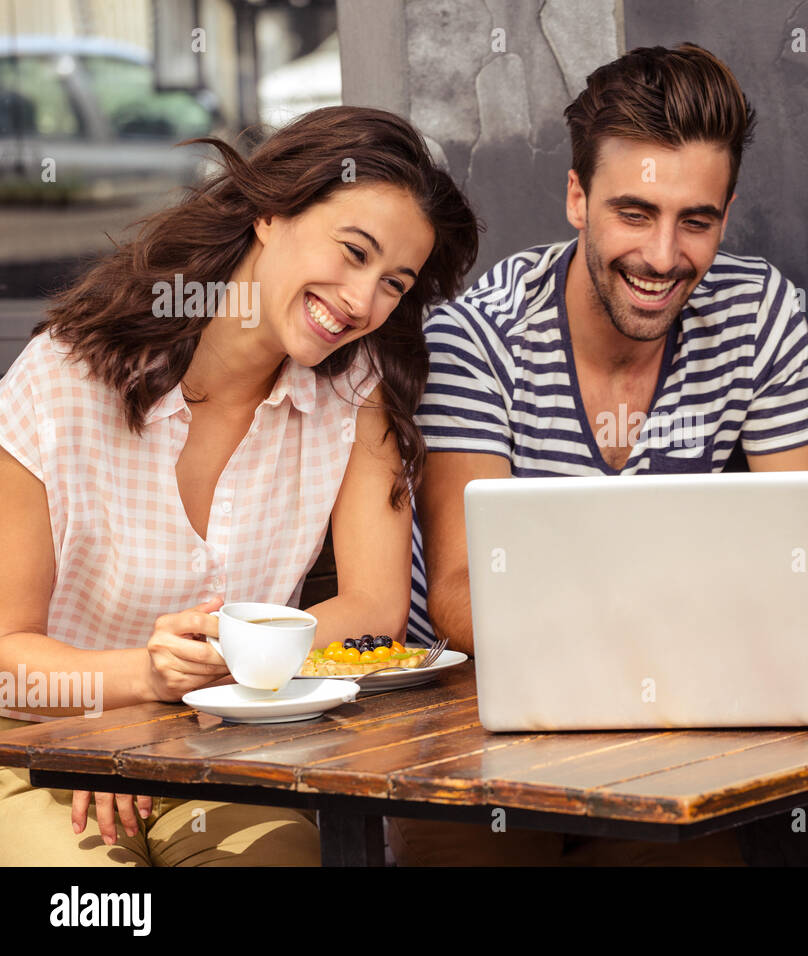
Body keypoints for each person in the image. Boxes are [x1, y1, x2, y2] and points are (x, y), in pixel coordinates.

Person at [391, 43, 808, 865]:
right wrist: (706, 600)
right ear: (577, 199)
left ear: (727, 214)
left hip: (676, 719)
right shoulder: (476, 338)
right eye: (635, 213)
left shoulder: (757, 311)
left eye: (697, 221)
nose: (662, 257)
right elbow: (464, 601)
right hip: (476, 728)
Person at [0, 106, 479, 865]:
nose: (362, 301)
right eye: (353, 251)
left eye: (394, 282)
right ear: (270, 213)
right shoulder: (62, 381)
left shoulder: (356, 392)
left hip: (222, 746)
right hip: (42, 748)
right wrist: (140, 684)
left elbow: (372, 607)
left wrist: (229, 666)